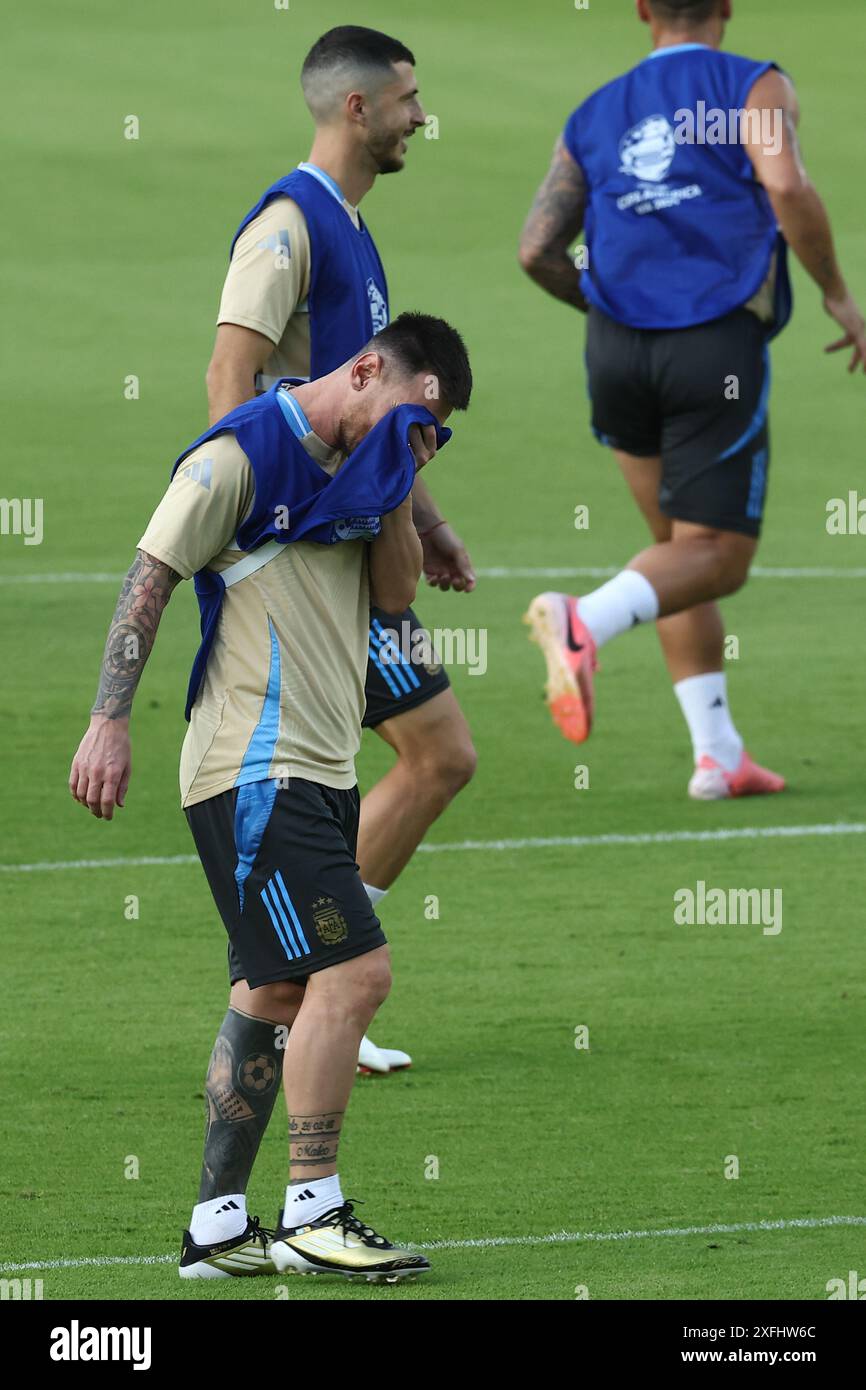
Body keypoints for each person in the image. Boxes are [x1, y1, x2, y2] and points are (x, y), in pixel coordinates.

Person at [68, 313, 473, 1281]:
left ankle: (215, 1225)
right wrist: (109, 720)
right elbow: (150, 576)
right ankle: (313, 1209)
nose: (418, 443)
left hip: (324, 767)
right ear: (366, 367)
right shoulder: (238, 455)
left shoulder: (378, 472)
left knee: (275, 988)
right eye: (414, 419)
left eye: (435, 434)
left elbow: (390, 601)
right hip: (252, 770)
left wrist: (401, 480)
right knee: (358, 974)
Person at [207, 26, 477, 1066]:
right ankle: (308, 982)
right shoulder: (289, 226)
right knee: (430, 753)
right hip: (304, 568)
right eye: (408, 98)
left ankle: (318, 974)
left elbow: (379, 412)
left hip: (360, 555)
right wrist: (252, 527)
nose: (421, 114)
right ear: (356, 107)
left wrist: (429, 519)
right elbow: (229, 379)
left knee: (438, 754)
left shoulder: (350, 229)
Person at [519, 0, 866, 799]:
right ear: (728, 8)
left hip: (613, 348)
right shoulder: (754, 86)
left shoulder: (593, 110)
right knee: (717, 558)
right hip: (712, 345)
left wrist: (616, 308)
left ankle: (718, 754)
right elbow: (786, 184)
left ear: (642, 10)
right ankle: (584, 623)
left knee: (676, 553)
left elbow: (537, 249)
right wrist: (839, 295)